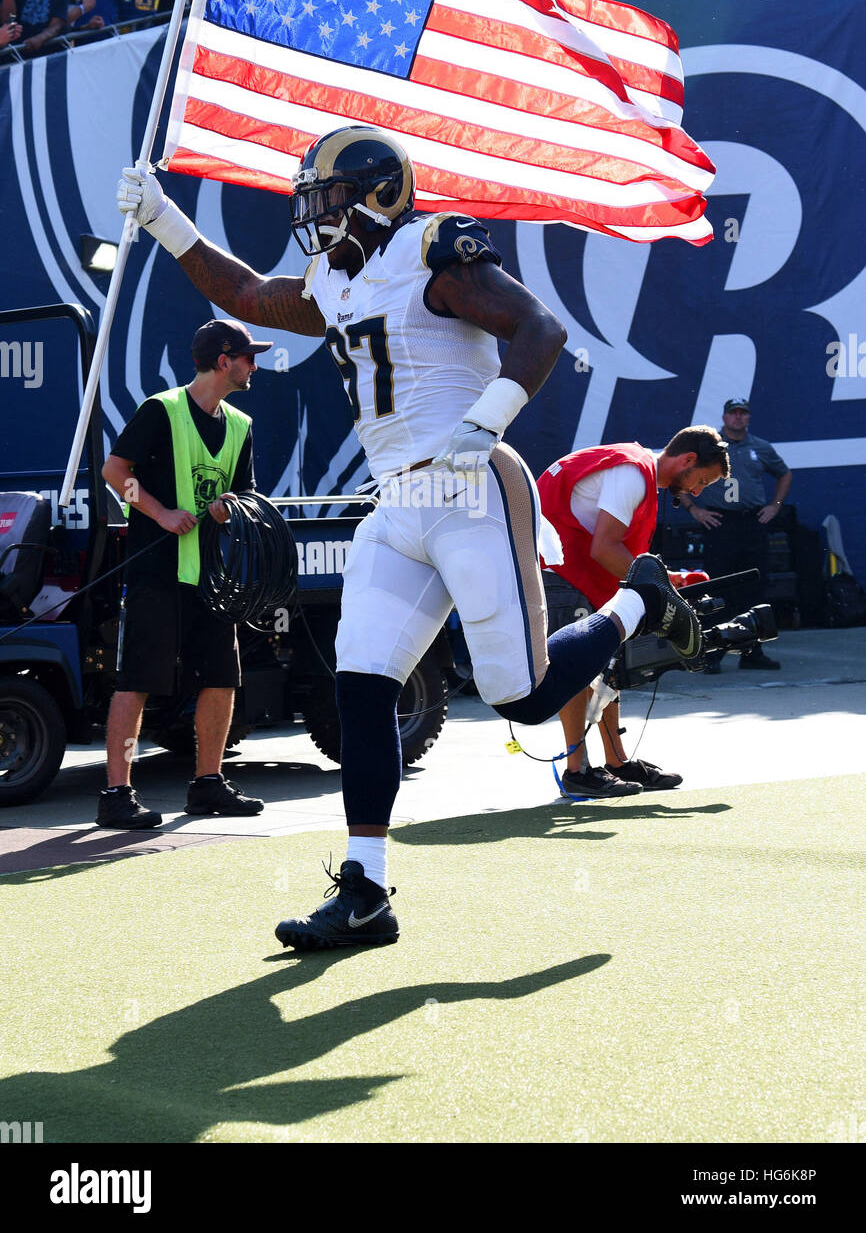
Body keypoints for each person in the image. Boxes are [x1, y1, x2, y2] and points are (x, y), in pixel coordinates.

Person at [116, 124, 703, 947]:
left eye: (330, 198)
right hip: (396, 502)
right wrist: (164, 222)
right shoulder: (335, 279)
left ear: (380, 194)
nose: (316, 214)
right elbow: (249, 296)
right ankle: (366, 888)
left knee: (524, 697)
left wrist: (487, 415)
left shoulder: (430, 250)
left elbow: (539, 329)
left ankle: (641, 601)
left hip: (469, 487)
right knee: (362, 689)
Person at [97, 319, 272, 830]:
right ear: (224, 361)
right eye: (247, 356)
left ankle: (208, 784)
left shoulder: (240, 425)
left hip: (212, 578)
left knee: (222, 679)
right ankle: (116, 793)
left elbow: (245, 496)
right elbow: (115, 473)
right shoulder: (162, 410)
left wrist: (227, 508)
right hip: (156, 572)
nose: (254, 365)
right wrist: (160, 513)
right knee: (138, 682)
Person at [537, 426, 728, 795]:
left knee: (606, 668)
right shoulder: (633, 473)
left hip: (576, 571)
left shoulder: (638, 472)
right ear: (687, 460)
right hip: (561, 574)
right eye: (701, 480)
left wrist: (667, 579)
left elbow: (619, 555)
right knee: (578, 670)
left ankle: (617, 762)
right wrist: (662, 592)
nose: (697, 491)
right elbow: (605, 549)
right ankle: (577, 772)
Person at [681, 397, 791, 671]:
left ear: (748, 418)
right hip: (720, 524)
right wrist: (694, 509)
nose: (738, 418)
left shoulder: (760, 447)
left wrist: (774, 507)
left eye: (743, 413)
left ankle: (752, 652)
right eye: (734, 413)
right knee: (717, 589)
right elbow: (680, 477)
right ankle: (711, 654)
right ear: (725, 416)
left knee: (754, 589)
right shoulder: (709, 446)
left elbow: (785, 474)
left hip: (752, 523)